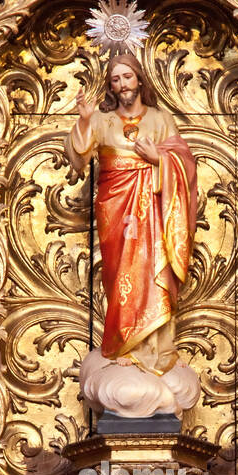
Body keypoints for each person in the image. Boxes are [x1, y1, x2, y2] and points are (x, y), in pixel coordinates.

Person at [65, 54, 198, 418]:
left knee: (153, 276)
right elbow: (78, 161)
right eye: (115, 79)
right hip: (116, 212)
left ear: (139, 80)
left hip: (152, 215)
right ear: (110, 86)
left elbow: (185, 162)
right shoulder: (104, 120)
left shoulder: (158, 119)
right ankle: (124, 346)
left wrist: (159, 159)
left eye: (128, 77)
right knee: (120, 276)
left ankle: (155, 350)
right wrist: (84, 120)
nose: (122, 85)